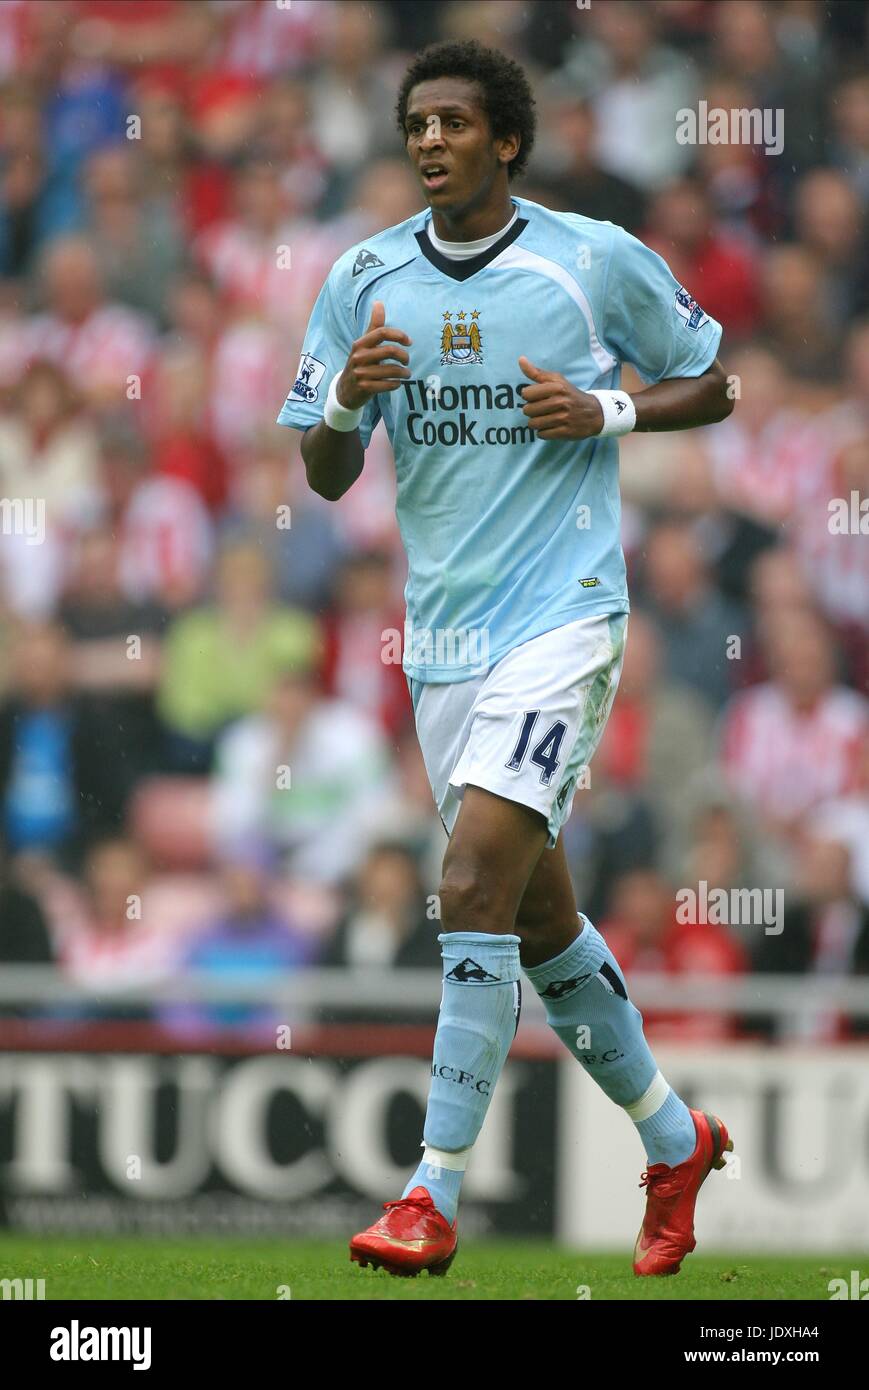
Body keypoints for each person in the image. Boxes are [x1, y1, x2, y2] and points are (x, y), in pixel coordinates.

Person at [277, 40, 734, 1280]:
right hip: (443, 647)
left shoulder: (587, 259)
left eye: (455, 124)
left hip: (563, 619)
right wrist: (339, 410)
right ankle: (673, 1136)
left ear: (507, 140)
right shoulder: (361, 278)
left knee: (468, 882)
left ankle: (427, 1193)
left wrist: (608, 410)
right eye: (416, 123)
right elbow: (321, 476)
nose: (430, 141)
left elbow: (713, 380)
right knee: (533, 918)